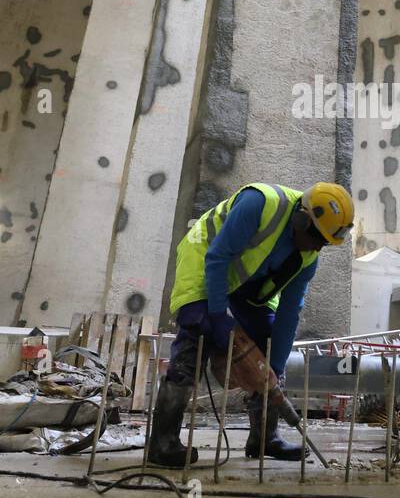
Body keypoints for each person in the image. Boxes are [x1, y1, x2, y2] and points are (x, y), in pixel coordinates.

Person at [147, 181, 354, 467]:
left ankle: (264, 438)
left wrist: (274, 369)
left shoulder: (309, 256)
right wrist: (218, 316)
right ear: (301, 218)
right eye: (318, 237)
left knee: (268, 343)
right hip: (205, 258)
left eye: (326, 243)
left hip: (248, 284)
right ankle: (163, 442)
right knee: (198, 334)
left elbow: (290, 312)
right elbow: (218, 257)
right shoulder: (259, 203)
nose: (319, 247)